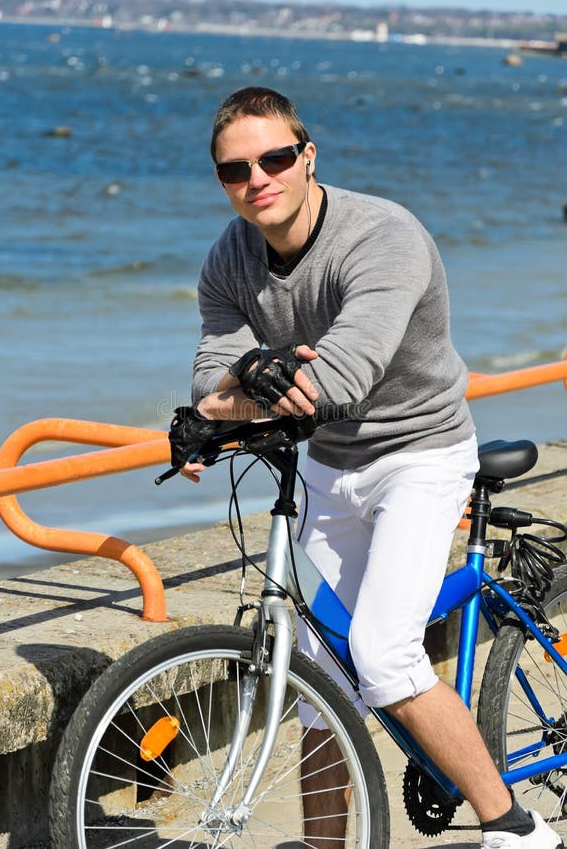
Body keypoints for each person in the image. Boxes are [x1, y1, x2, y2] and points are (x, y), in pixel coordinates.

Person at [172, 85, 561, 849]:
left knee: (382, 657)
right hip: (330, 463)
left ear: (308, 156)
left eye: (275, 158)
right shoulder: (230, 257)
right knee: (319, 680)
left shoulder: (383, 237)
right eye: (235, 170)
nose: (257, 179)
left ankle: (516, 830)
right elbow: (209, 372)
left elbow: (337, 381)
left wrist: (227, 403)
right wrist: (232, 389)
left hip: (419, 453)